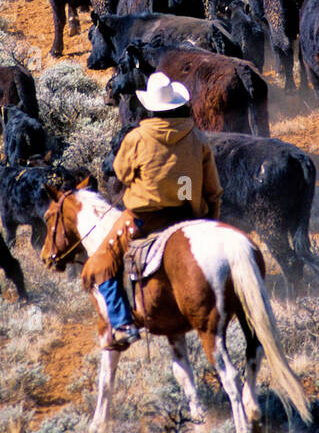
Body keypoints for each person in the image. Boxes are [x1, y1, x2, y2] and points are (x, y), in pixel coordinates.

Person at [82, 71, 222, 349]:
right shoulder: (198, 138)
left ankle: (122, 324)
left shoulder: (137, 137)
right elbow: (213, 191)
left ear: (150, 107)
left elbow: (120, 173)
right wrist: (211, 220)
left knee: (102, 261)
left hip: (143, 219)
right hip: (189, 216)